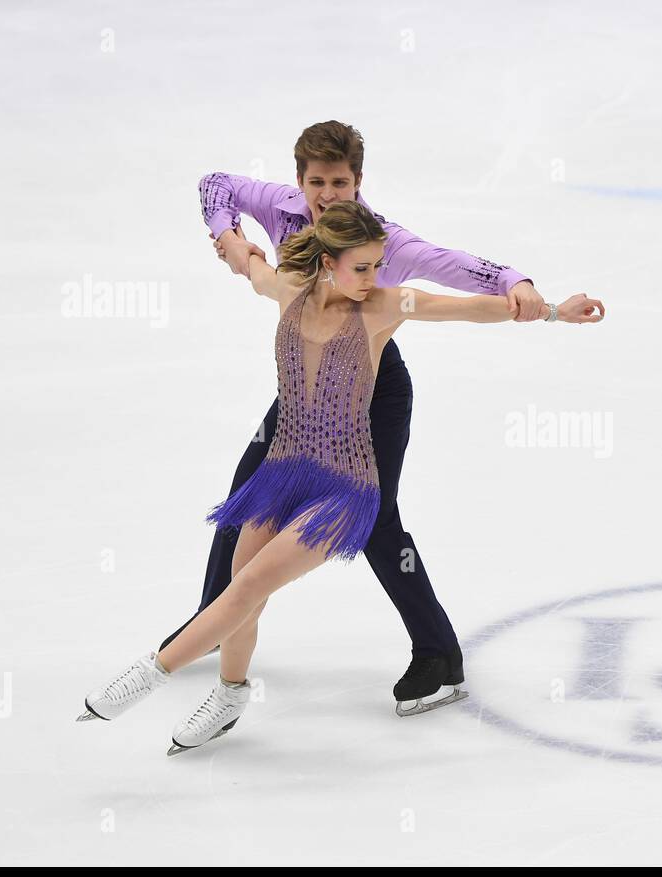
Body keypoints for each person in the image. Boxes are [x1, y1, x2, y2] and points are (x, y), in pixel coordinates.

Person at [80, 200, 604, 754]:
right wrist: (232, 240)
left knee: (252, 585)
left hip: (345, 489)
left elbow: (467, 309)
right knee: (242, 591)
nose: (373, 278)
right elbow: (250, 267)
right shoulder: (287, 290)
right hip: (282, 472)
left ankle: (144, 676)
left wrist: (549, 311)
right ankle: (231, 695)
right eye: (362, 267)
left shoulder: (382, 306)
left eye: (378, 265)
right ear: (327, 262)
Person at [161, 120, 550, 715]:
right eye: (317, 181)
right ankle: (220, 614)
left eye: (340, 182)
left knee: (375, 523)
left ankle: (439, 656)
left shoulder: (380, 239)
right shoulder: (283, 206)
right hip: (307, 386)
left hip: (374, 386)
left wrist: (514, 282)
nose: (327, 194)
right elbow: (215, 185)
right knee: (247, 494)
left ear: (358, 180)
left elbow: (450, 267)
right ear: (299, 181)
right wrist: (232, 240)